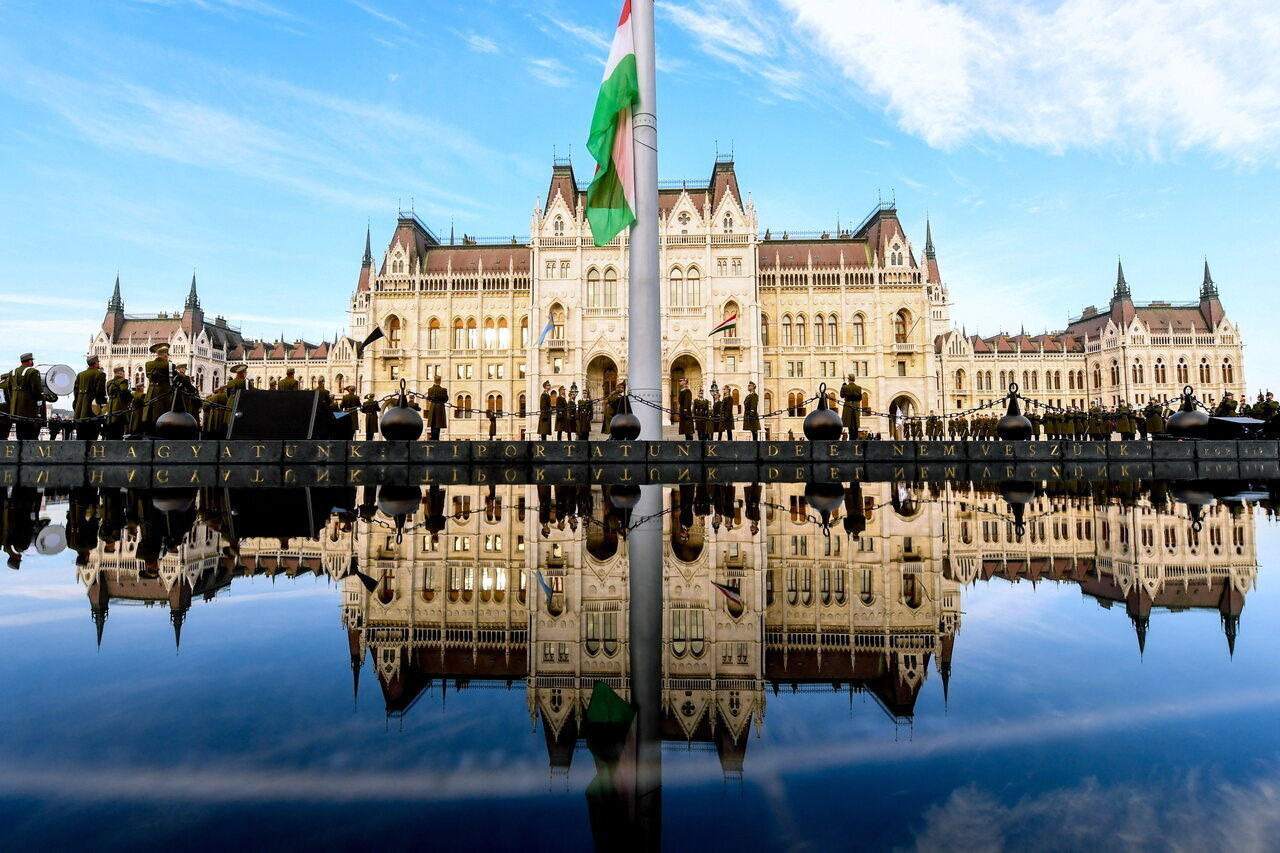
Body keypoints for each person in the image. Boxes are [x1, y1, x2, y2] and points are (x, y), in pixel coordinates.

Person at [9, 353, 49, 440]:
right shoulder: (33, 372)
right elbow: (37, 390)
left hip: (16, 409)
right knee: (31, 435)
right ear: (30, 361)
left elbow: (9, 390)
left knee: (20, 434)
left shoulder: (12, 372)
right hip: (29, 409)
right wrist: (46, 397)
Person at [72, 356, 108, 441]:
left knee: (80, 438)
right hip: (92, 411)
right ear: (95, 363)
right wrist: (103, 405)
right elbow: (100, 392)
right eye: (98, 362)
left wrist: (77, 406)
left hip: (80, 412)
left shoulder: (80, 375)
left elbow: (76, 392)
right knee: (92, 438)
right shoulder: (100, 374)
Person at [142, 343, 172, 435]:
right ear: (165, 356)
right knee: (161, 416)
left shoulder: (148, 364)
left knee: (150, 416)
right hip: (163, 395)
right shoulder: (169, 365)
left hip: (150, 393)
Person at [103, 366, 132, 440]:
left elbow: (108, 394)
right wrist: (130, 399)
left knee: (110, 434)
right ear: (121, 373)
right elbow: (124, 392)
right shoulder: (123, 380)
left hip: (110, 411)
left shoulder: (109, 383)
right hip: (119, 410)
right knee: (118, 434)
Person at [840, 374, 862, 439]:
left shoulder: (845, 387)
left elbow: (842, 396)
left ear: (848, 379)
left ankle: (851, 436)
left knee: (849, 421)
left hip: (848, 404)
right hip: (856, 405)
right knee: (855, 421)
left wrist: (843, 386)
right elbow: (860, 398)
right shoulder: (859, 387)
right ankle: (855, 436)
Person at [426, 374, 448, 440]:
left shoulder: (430, 389)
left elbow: (429, 398)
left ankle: (433, 436)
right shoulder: (443, 390)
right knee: (438, 423)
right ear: (440, 381)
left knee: (433, 422)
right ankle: (436, 437)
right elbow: (446, 399)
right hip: (440, 407)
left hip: (433, 406)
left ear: (434, 381)